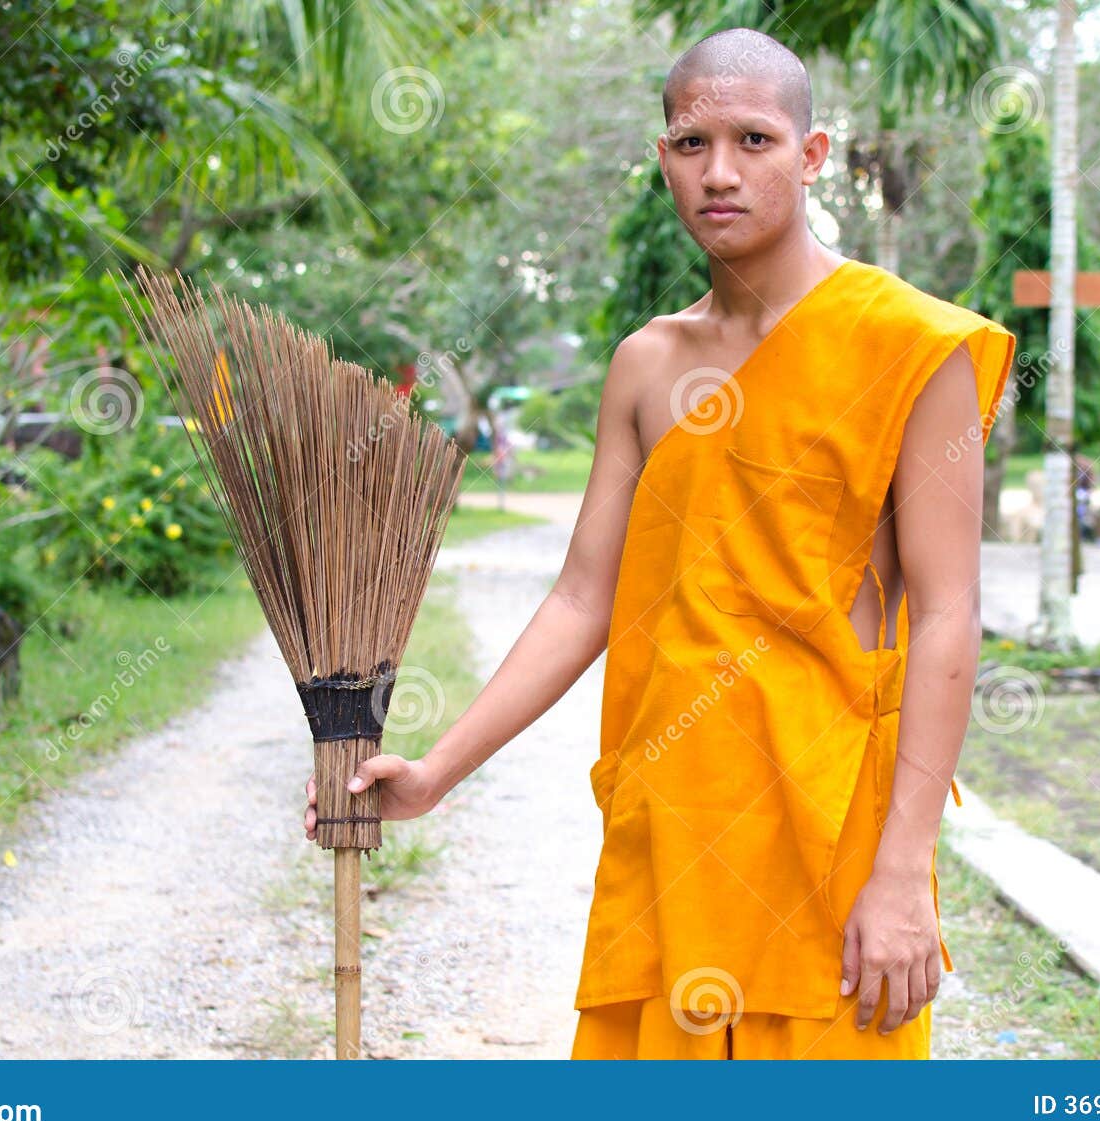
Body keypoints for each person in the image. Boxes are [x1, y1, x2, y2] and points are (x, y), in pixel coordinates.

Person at [304, 26, 1015, 1059]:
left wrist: (903, 870)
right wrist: (440, 769)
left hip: (825, 835)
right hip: (671, 821)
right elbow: (580, 600)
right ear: (663, 157)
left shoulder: (911, 347)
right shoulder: (647, 365)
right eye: (691, 143)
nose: (719, 172)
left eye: (754, 140)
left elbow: (949, 612)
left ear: (812, 156)